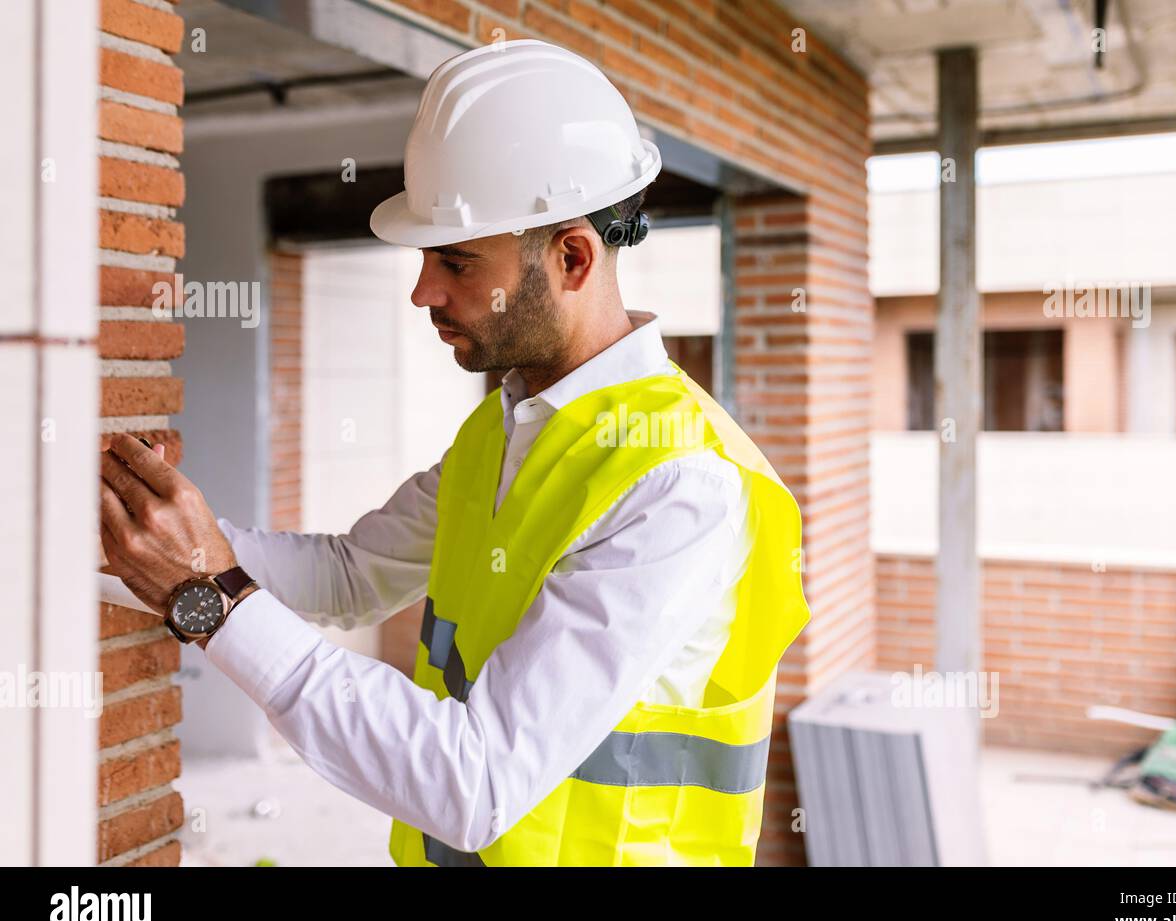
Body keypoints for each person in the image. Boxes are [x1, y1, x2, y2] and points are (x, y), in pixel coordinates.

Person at [99, 38, 810, 866]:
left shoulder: (678, 482)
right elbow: (349, 576)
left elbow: (475, 782)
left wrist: (210, 598)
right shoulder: (510, 426)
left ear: (573, 256)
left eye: (457, 261)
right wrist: (139, 532)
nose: (423, 291)